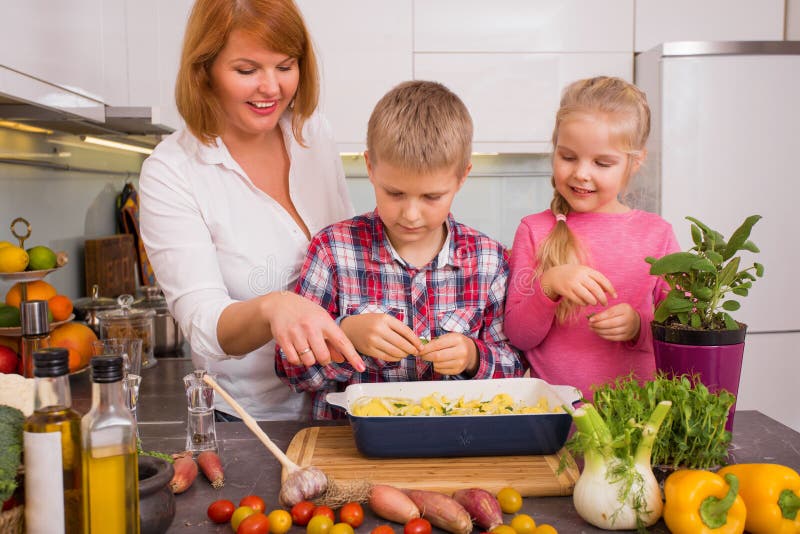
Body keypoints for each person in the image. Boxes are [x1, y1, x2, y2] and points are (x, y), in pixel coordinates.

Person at [138, 0, 365, 421]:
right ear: (204, 69)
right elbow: (203, 323)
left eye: (285, 66)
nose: (271, 88)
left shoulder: (312, 133)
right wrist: (271, 307)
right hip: (253, 421)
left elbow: (349, 255)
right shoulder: (172, 171)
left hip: (343, 403)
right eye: (247, 71)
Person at [275, 80, 524, 419]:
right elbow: (290, 370)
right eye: (395, 193)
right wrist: (344, 337)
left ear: (462, 177)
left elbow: (516, 368)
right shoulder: (333, 251)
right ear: (370, 168)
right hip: (350, 450)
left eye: (431, 197)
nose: (410, 214)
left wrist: (472, 356)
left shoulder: (490, 261)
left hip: (457, 451)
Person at [504, 76, 680, 401]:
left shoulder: (657, 235)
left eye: (602, 162)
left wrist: (640, 327)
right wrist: (549, 284)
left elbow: (683, 331)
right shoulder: (534, 230)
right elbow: (519, 337)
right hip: (556, 424)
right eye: (568, 157)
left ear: (635, 161)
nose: (581, 173)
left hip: (634, 424)